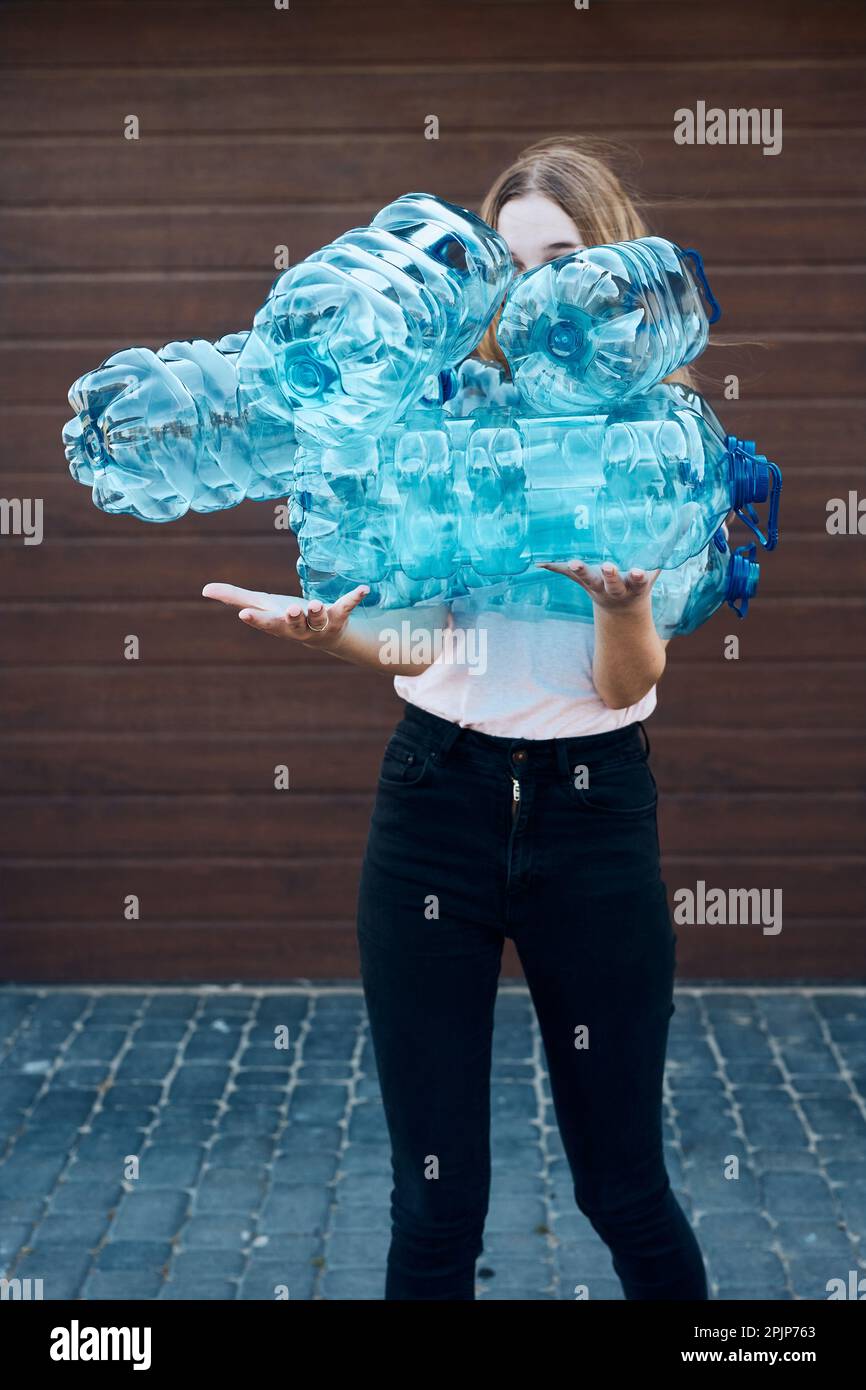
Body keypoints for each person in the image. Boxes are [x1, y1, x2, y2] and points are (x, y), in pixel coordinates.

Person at [203, 136, 709, 1301]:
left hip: (591, 815)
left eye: (564, 263)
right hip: (437, 801)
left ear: (613, 270)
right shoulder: (439, 424)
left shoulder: (655, 445)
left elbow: (627, 688)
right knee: (435, 1202)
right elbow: (428, 641)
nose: (537, 298)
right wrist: (334, 635)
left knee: (622, 1184)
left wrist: (625, 605)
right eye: (514, 270)